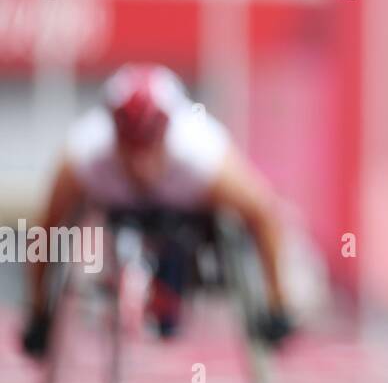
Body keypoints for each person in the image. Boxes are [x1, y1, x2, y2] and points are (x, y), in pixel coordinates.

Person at [20, 63, 294, 358]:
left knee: (223, 223)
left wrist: (277, 304)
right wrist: (39, 312)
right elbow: (45, 231)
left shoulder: (202, 153)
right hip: (119, 209)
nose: (140, 165)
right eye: (131, 149)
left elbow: (264, 213)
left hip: (189, 215)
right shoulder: (85, 154)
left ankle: (171, 291)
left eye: (148, 149)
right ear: (115, 138)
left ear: (165, 137)